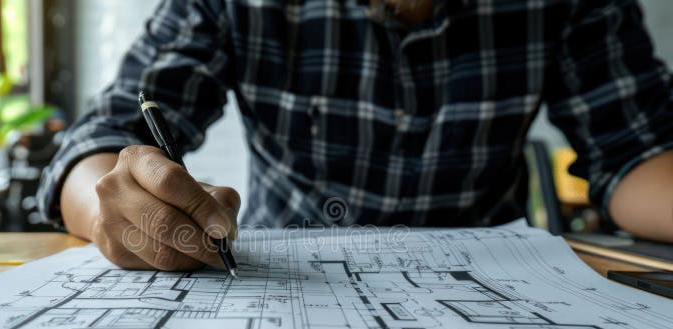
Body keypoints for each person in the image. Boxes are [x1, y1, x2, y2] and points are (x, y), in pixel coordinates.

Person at [38, 0, 673, 271]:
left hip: (499, 289)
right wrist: (116, 203)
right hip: (283, 288)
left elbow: (637, 151)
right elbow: (110, 133)